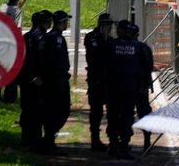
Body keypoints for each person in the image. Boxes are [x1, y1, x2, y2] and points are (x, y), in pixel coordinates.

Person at [18, 11, 70, 151]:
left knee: (28, 110)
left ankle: (28, 139)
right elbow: (41, 60)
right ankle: (37, 141)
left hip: (26, 79)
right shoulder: (42, 37)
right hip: (38, 80)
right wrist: (39, 76)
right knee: (39, 111)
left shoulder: (26, 36)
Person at [102, 19, 153, 159]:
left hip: (114, 89)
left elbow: (103, 65)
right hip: (130, 89)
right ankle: (123, 146)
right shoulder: (139, 47)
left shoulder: (111, 45)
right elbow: (147, 68)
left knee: (113, 115)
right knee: (126, 116)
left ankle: (114, 144)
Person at [82, 11, 113, 151]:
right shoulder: (92, 38)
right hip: (96, 79)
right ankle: (95, 139)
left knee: (111, 110)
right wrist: (105, 40)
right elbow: (97, 55)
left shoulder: (109, 40)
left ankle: (112, 138)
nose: (110, 28)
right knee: (96, 110)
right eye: (108, 26)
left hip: (108, 80)